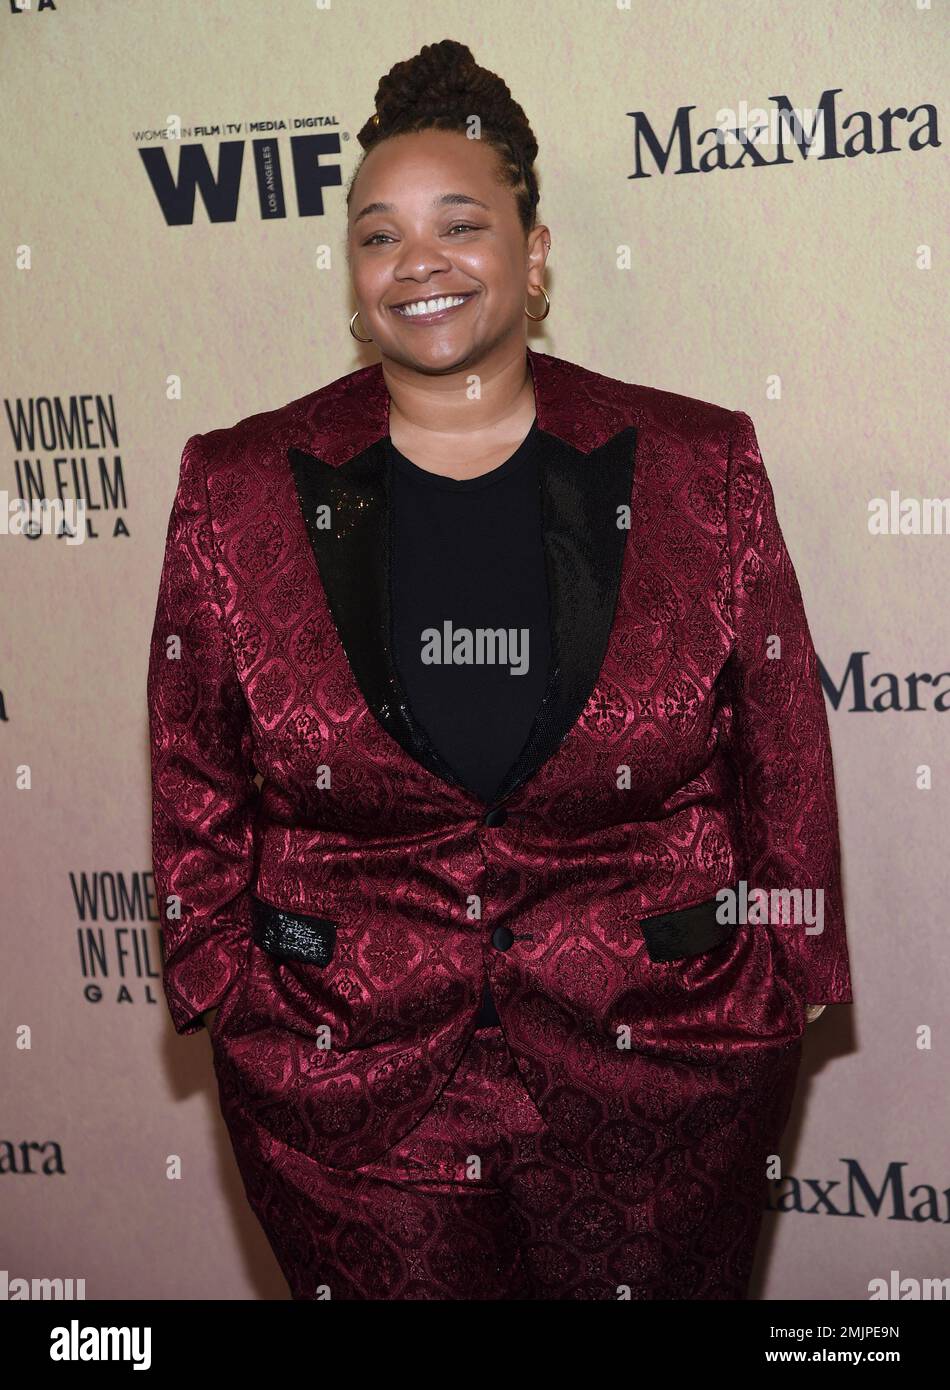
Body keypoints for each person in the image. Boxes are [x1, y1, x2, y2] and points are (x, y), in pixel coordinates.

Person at [147, 38, 851, 1300]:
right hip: (346, 1086)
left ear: (531, 255)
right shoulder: (235, 484)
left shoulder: (700, 467)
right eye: (377, 235)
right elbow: (194, 763)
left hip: (660, 1071)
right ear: (353, 275)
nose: (416, 261)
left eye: (458, 223)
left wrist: (786, 979)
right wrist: (220, 976)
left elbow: (783, 753)